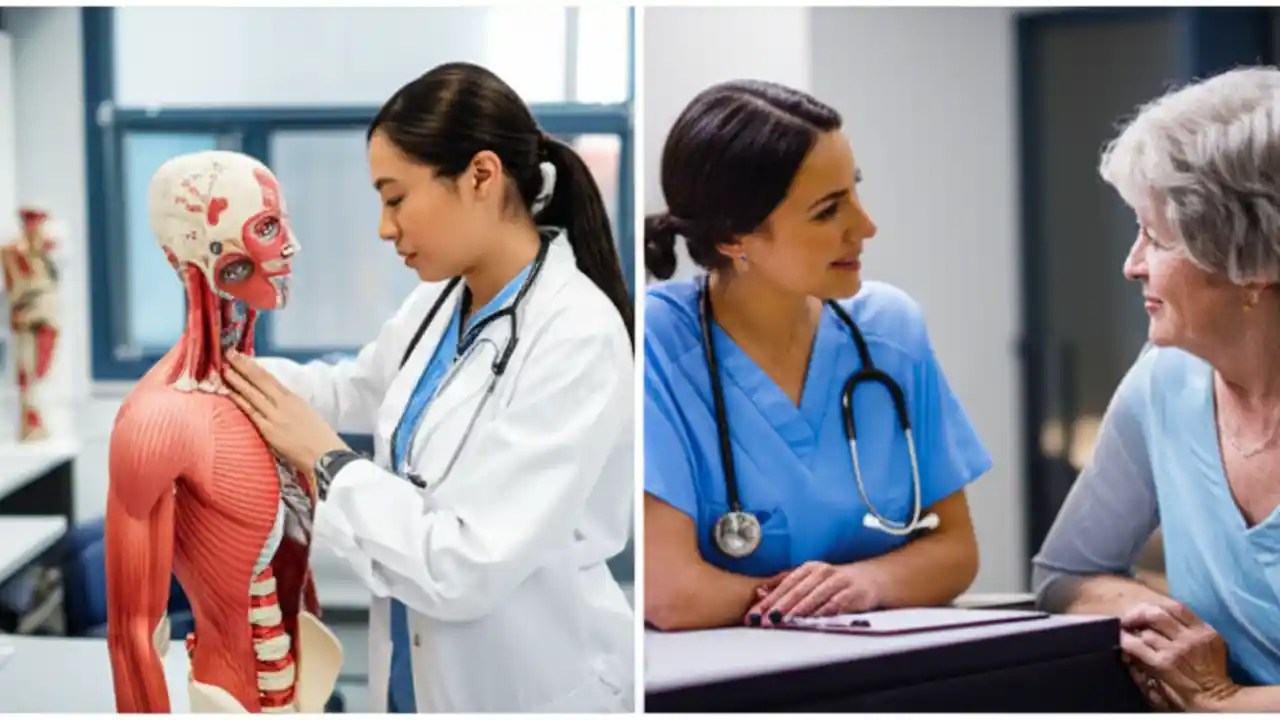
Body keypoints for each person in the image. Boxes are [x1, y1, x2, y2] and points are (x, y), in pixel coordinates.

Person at [221, 62, 635, 713]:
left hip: (529, 687)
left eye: (395, 197)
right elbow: (354, 388)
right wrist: (225, 370)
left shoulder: (577, 335)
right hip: (419, 680)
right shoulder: (441, 304)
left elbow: (463, 564)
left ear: (480, 176)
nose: (385, 228)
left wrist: (328, 462)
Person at [643, 80, 991, 632]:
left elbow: (955, 551)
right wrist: (827, 599)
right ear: (736, 237)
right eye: (830, 211)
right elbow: (670, 593)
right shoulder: (656, 343)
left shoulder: (891, 332)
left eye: (853, 191)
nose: (866, 226)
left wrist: (865, 585)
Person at [1032, 67, 1280, 711]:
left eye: (1155, 236)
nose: (1131, 262)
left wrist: (1222, 701)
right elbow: (1066, 575)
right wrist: (1169, 626)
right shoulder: (1165, 381)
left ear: (1251, 262)